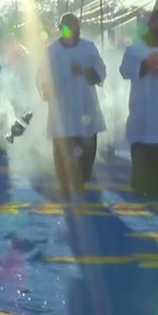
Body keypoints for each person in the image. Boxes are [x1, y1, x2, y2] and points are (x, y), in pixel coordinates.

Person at [38, 13, 106, 197]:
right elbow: (42, 74)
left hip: (85, 105)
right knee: (61, 146)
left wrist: (85, 71)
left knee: (87, 145)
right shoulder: (52, 51)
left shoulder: (88, 48)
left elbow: (101, 71)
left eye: (72, 26)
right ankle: (64, 183)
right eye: (64, 27)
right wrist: (46, 87)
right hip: (62, 107)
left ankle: (81, 180)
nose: (68, 30)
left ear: (78, 27)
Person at [119, 9, 158, 198]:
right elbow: (124, 71)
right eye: (156, 22)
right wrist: (145, 66)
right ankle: (141, 183)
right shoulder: (135, 47)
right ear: (150, 23)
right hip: (143, 106)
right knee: (141, 142)